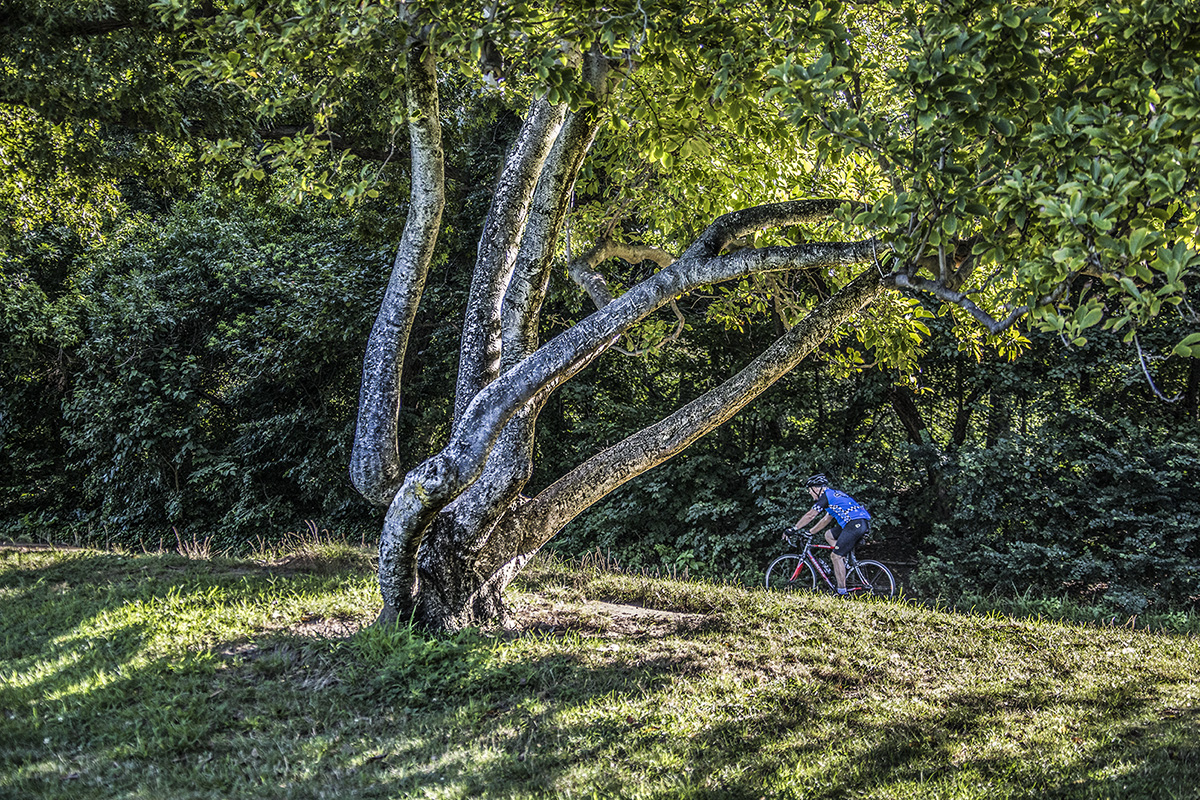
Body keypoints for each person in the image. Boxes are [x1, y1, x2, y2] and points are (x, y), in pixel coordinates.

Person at [789, 473, 871, 595]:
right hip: (858, 523)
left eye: (810, 491)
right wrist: (810, 532)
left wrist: (794, 529)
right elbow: (826, 519)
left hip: (854, 524)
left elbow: (811, 515)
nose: (810, 493)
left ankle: (842, 593)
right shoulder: (833, 496)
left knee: (835, 556)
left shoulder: (826, 497)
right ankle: (842, 558)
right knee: (828, 535)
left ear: (816, 488)